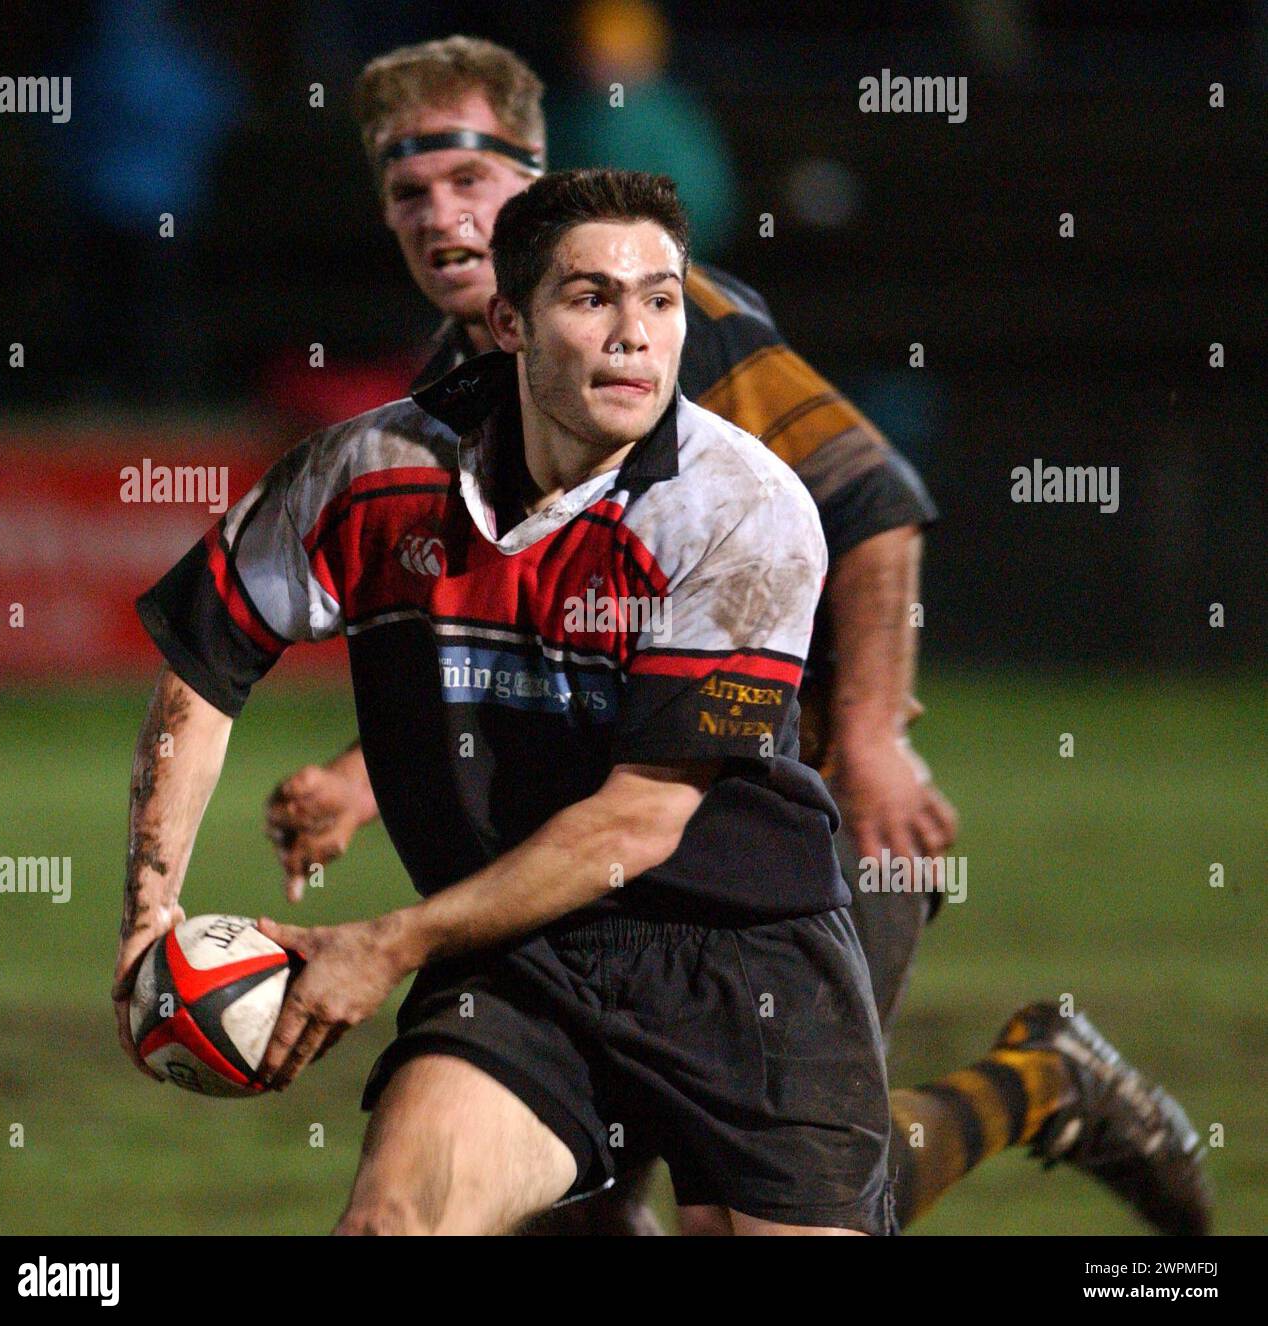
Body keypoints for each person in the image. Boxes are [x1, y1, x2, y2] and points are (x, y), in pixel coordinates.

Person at [261, 36, 1210, 1235]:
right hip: (608, 848)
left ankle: (1045, 1081)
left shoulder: (676, 320)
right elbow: (515, 638)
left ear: (541, 176)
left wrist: (867, 738)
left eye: (471, 177)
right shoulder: (470, 379)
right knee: (568, 1194)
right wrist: (357, 780)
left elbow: (872, 496)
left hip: (780, 830)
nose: (445, 213)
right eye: (412, 188)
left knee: (781, 1200)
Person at [116, 167, 895, 1235]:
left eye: (660, 300)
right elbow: (207, 665)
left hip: (747, 968)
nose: (635, 336)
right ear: (509, 322)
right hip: (520, 960)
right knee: (391, 1224)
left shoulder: (741, 510)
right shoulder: (369, 471)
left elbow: (643, 819)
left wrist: (387, 944)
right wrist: (148, 912)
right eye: (591, 298)